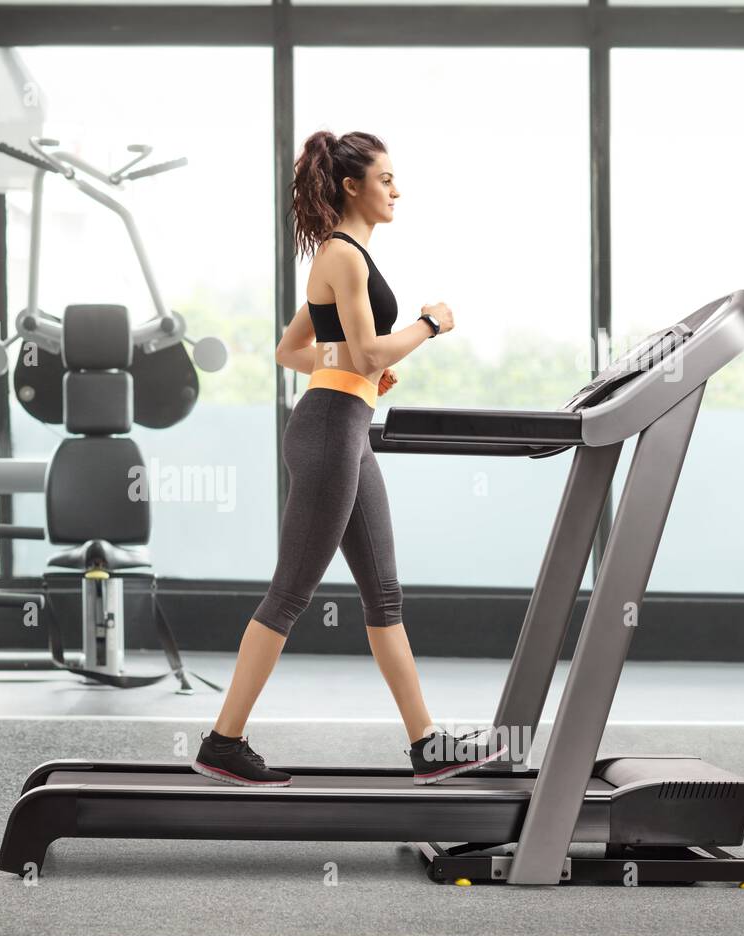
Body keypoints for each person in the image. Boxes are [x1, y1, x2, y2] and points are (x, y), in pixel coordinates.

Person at [193, 130, 508, 788]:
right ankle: (223, 740)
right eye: (386, 179)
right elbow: (365, 351)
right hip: (332, 431)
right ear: (352, 186)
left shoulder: (345, 257)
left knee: (384, 596)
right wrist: (430, 324)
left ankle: (426, 745)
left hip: (345, 426)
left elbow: (296, 350)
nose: (397, 190)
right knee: (289, 594)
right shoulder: (346, 257)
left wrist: (361, 374)